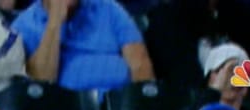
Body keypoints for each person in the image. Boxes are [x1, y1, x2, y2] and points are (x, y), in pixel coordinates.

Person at [11, 0, 154, 93]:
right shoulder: (24, 26)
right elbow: (40, 85)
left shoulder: (109, 9)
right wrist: (55, 21)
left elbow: (140, 66)